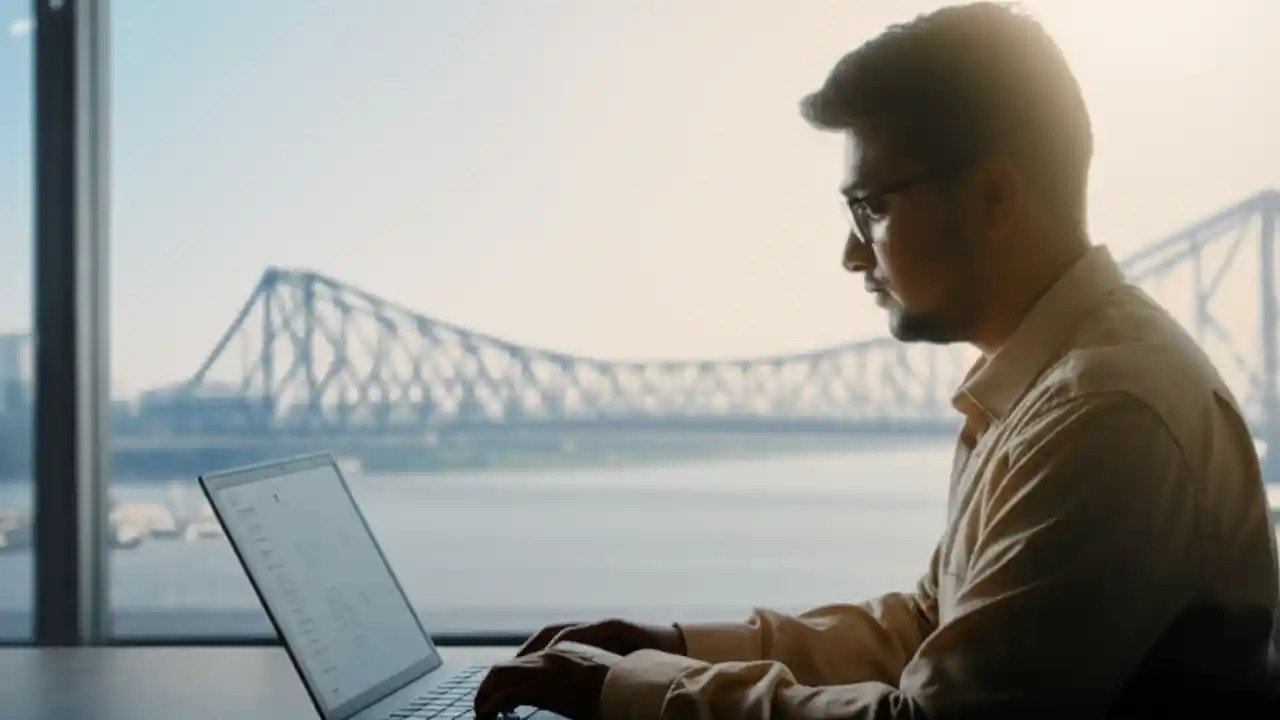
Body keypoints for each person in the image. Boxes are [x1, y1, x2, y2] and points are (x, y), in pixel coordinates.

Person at [474, 3, 1280, 718]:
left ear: (995, 198)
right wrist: (674, 643)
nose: (851, 255)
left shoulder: (1109, 416)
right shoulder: (1048, 385)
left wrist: (629, 694)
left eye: (873, 208)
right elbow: (926, 627)